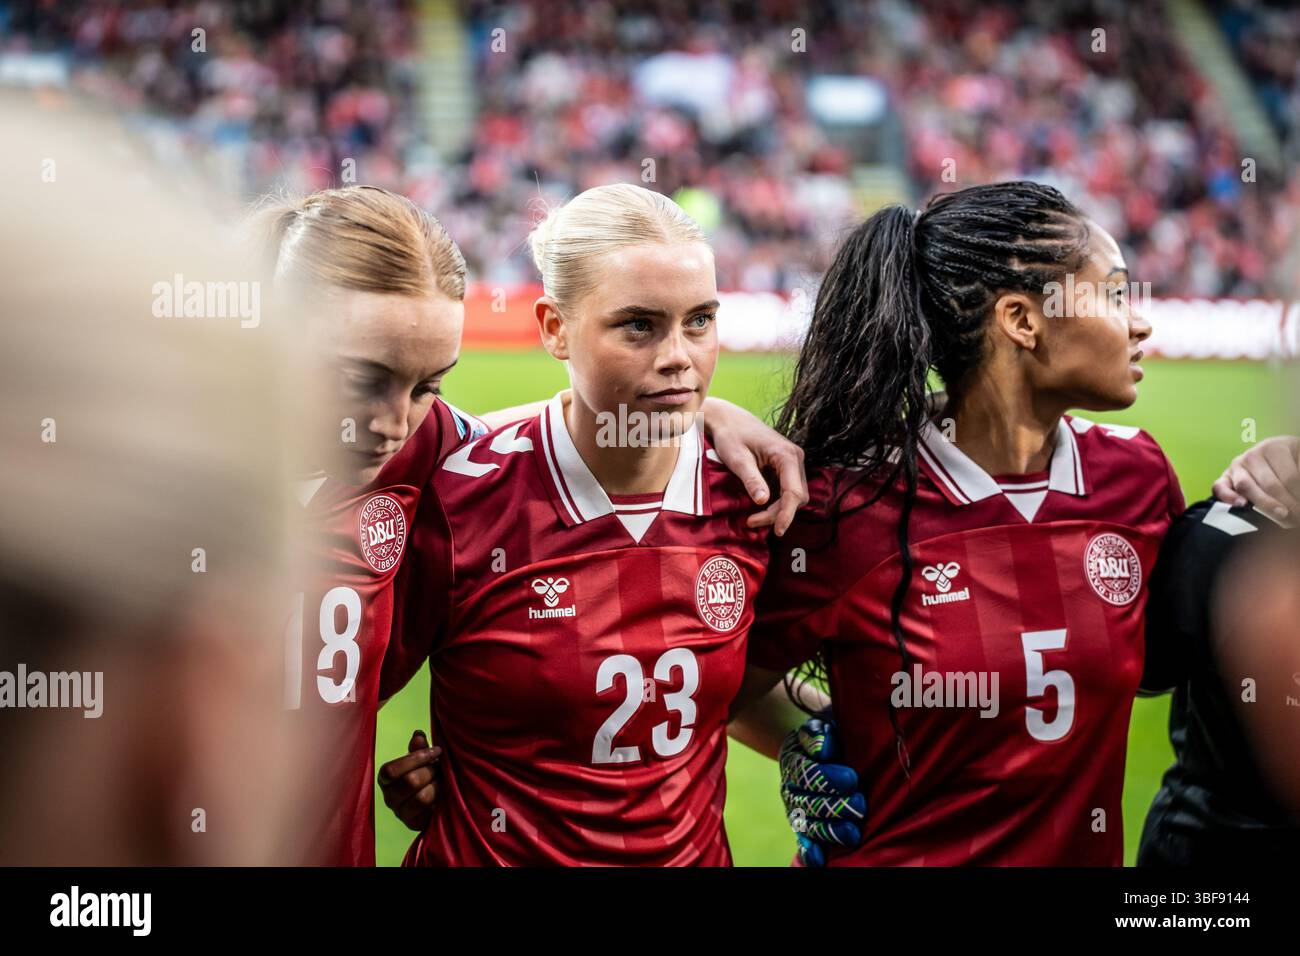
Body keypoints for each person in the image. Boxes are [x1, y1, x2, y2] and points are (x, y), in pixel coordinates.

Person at [259, 184, 812, 864]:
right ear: (553, 327)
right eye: (639, 324)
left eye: (700, 321)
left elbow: (729, 679)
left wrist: (707, 414)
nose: (393, 420)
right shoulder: (447, 481)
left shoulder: (753, 494)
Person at [745, 181, 1277, 865]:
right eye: (1114, 295)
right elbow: (727, 686)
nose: (1140, 323)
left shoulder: (1136, 478)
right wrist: (806, 741)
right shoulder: (849, 507)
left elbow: (1156, 668)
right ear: (1023, 321)